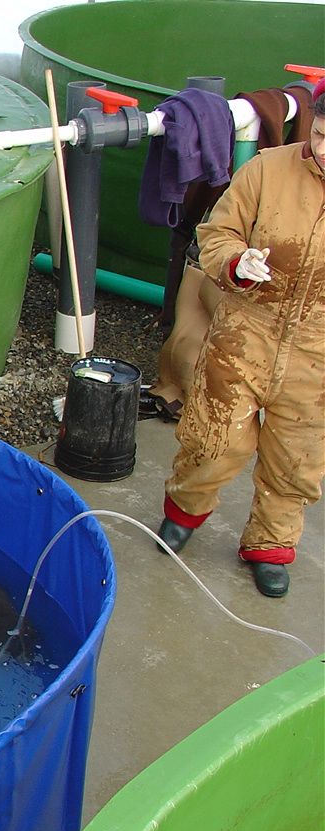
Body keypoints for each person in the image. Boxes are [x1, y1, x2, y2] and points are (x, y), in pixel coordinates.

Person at [155, 81, 325, 598]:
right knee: (213, 437)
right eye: (320, 133)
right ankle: (184, 511)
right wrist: (235, 262)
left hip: (318, 352)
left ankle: (271, 545)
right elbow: (216, 233)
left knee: (296, 456)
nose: (323, 149)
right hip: (246, 329)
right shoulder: (267, 168)